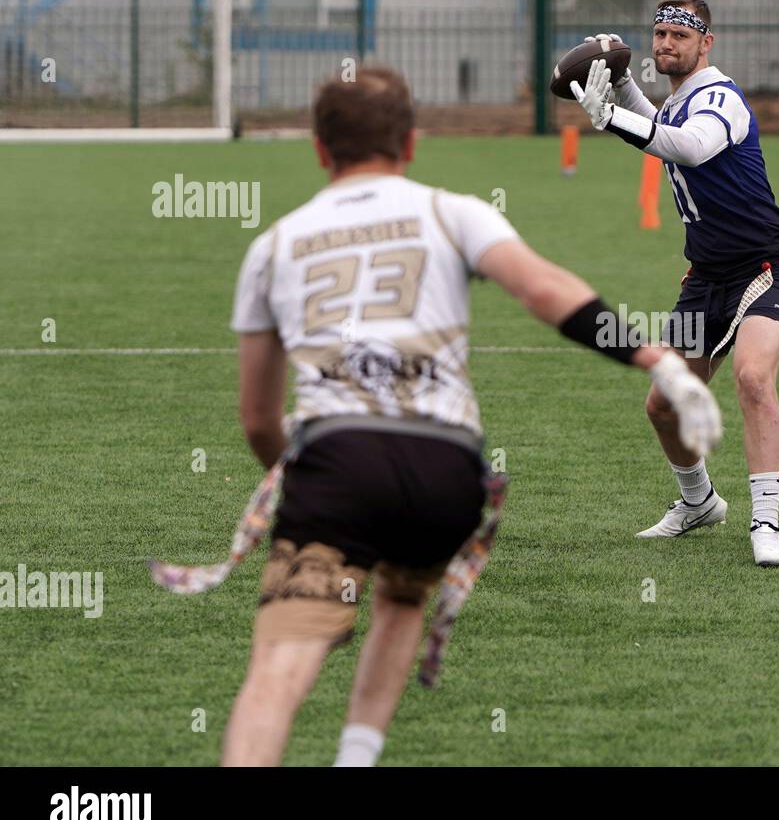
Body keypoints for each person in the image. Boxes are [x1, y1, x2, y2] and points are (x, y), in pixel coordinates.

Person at [223, 66, 721, 766]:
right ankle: (357, 757)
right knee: (400, 601)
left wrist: (302, 477)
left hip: (336, 460)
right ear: (412, 142)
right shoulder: (450, 211)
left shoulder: (273, 245)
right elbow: (545, 290)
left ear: (318, 148)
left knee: (280, 668)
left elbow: (256, 420)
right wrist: (660, 363)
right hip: (445, 467)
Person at [570, 0, 779, 567]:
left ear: (706, 42)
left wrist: (612, 119)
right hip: (706, 275)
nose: (666, 44)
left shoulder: (720, 99)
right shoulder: (681, 101)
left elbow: (692, 149)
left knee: (753, 378)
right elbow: (662, 130)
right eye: (659, 34)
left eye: (680, 35)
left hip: (765, 266)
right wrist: (623, 88)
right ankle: (699, 501)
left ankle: (766, 522)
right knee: (663, 404)